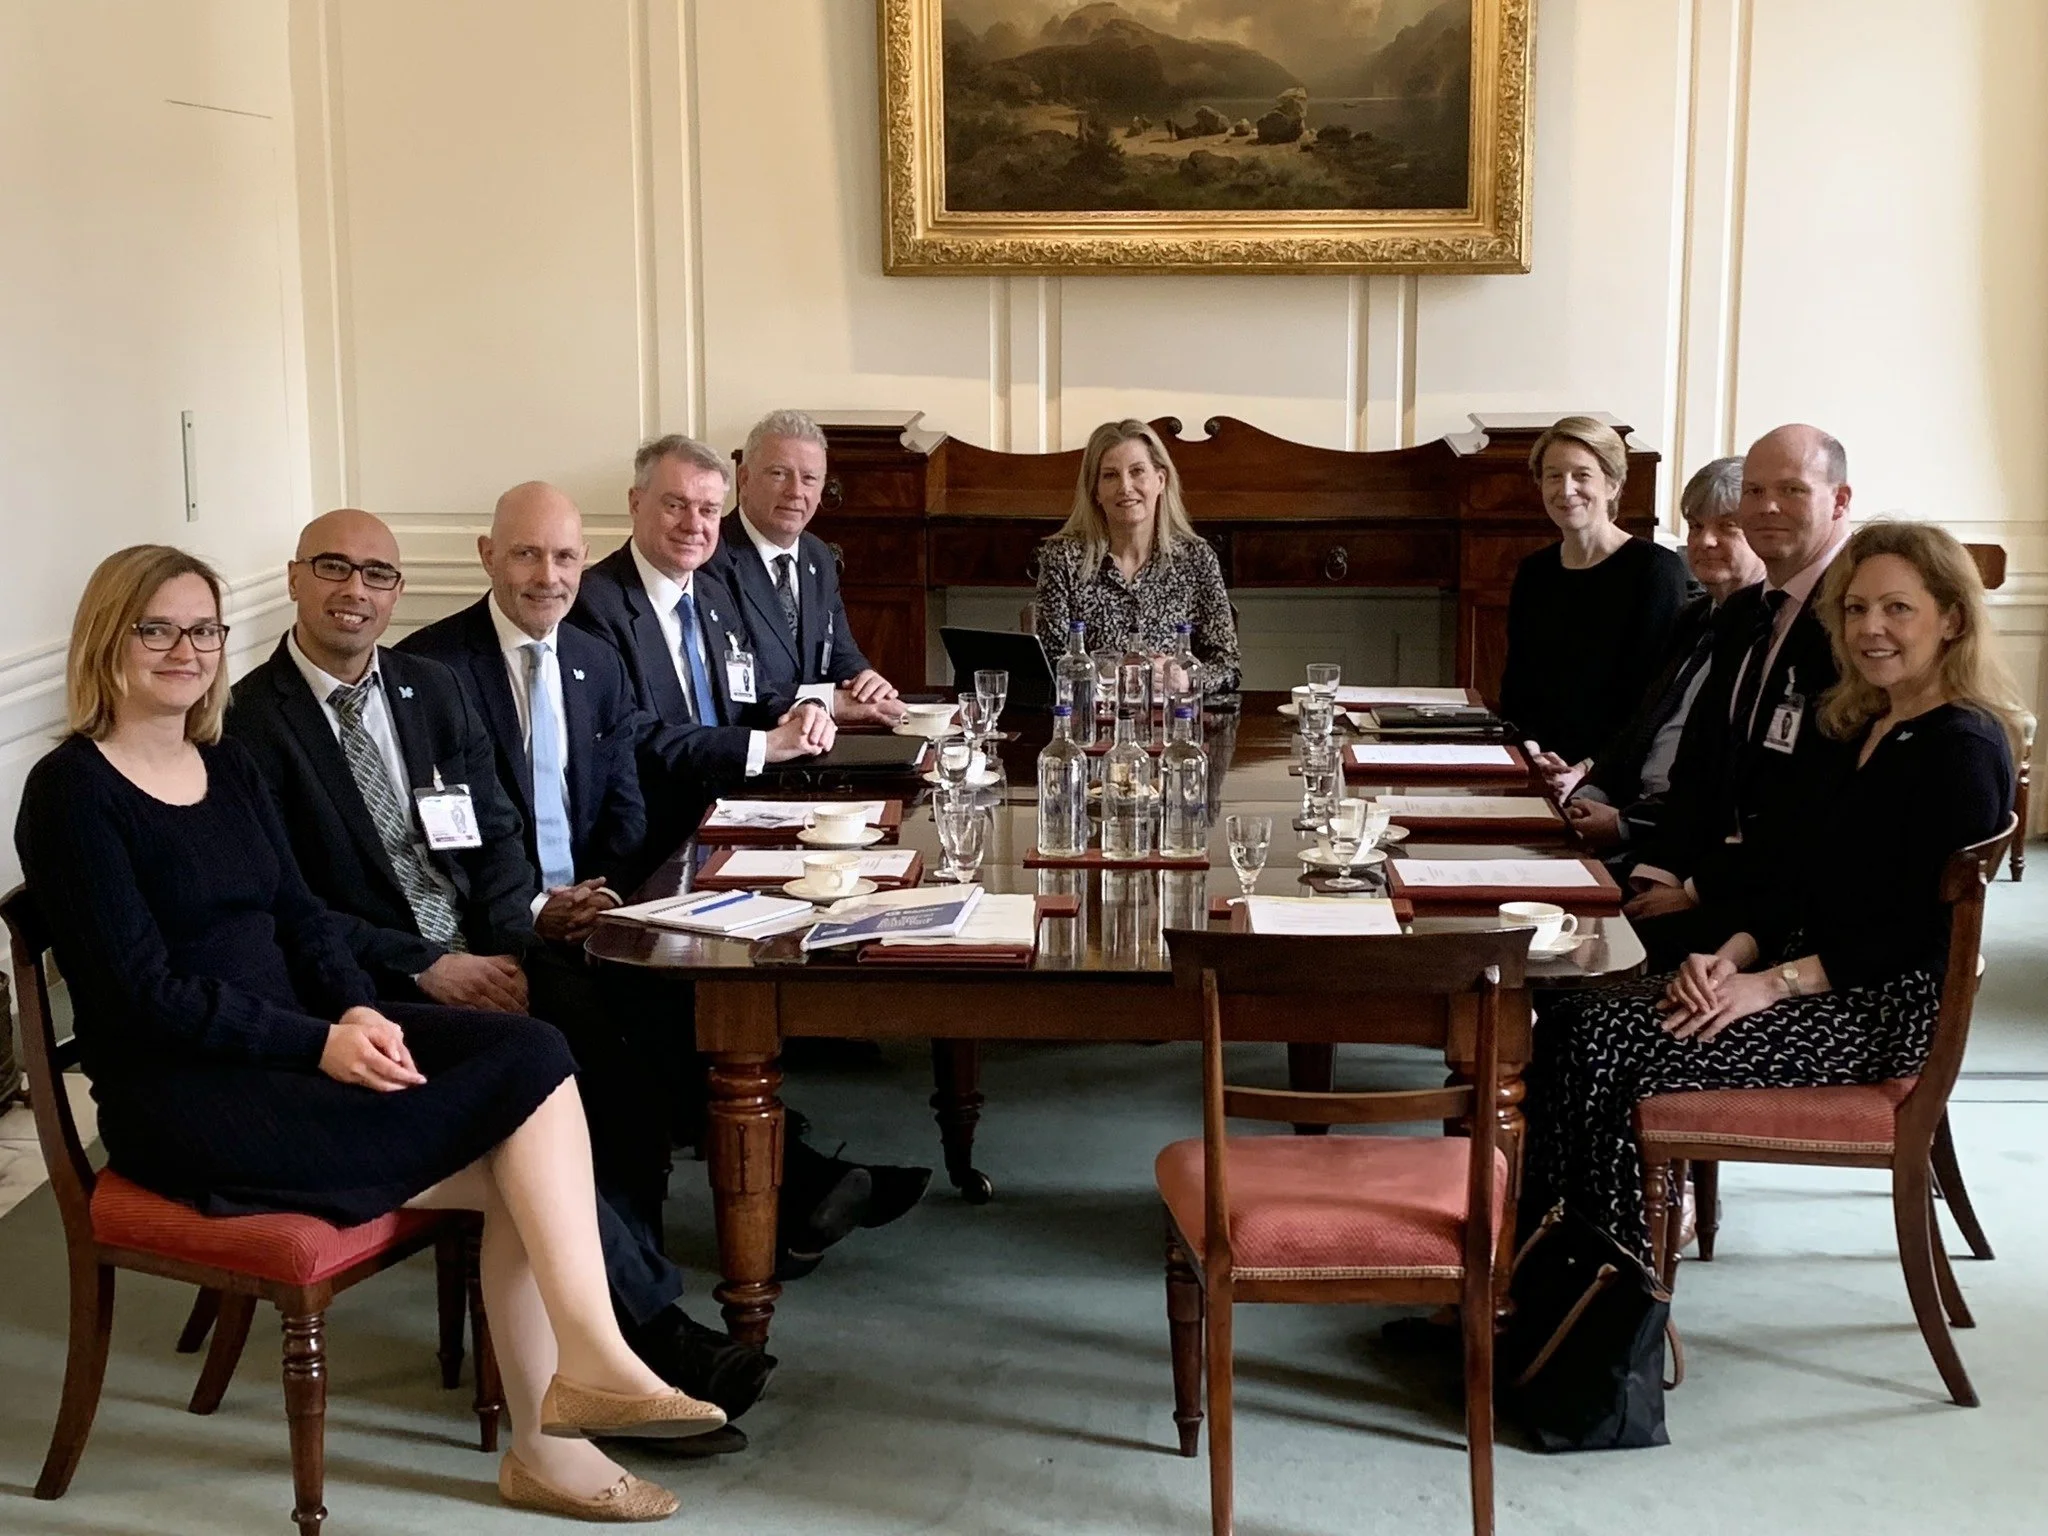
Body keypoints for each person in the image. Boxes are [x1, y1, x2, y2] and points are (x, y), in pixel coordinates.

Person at [18, 545, 725, 1521]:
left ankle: (577, 1391)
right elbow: (145, 996)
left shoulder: (220, 760)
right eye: (158, 628)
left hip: (304, 1038)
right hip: (195, 1097)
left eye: (205, 628)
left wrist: (354, 1007)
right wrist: (320, 1046)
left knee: (531, 1052)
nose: (187, 649)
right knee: (519, 1157)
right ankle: (567, 1415)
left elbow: (301, 917)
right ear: (111, 638)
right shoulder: (69, 792)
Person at [227, 508, 774, 1439]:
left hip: (489, 955)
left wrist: (514, 942)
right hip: (371, 989)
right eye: (333, 569)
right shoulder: (245, 722)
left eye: (377, 575)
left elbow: (494, 839)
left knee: (632, 1063)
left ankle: (602, 1324)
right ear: (293, 578)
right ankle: (646, 1341)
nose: (355, 591)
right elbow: (290, 906)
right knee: (539, 1085)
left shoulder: (429, 689)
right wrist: (430, 966)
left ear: (398, 591)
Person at [1527, 520, 2021, 1258]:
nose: (1870, 629)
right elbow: (1790, 875)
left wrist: (1771, 986)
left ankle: (1598, 1295)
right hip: (1797, 970)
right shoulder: (1860, 724)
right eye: (1855, 609)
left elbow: (1922, 936)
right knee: (1572, 1012)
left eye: (1897, 609)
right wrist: (1730, 955)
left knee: (1598, 1040)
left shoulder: (1964, 749)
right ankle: (1539, 1274)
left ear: (1951, 619)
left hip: (1874, 1011)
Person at [1624, 425, 1861, 966]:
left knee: (1573, 984)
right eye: (1754, 492)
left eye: (1792, 490)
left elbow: (1812, 801)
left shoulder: (1855, 621)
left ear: (1840, 500)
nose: (1767, 506)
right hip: (1710, 872)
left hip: (1787, 912)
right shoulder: (1741, 612)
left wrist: (1694, 889)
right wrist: (1657, 872)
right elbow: (1699, 766)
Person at [572, 433, 835, 862]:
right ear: (636, 503)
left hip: (743, 819)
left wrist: (800, 711)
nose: (694, 524)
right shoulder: (594, 604)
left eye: (709, 510)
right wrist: (761, 747)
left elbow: (749, 689)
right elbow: (630, 735)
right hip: (656, 842)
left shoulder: (712, 592)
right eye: (675, 505)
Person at [1546, 457, 1766, 863]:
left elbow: (1729, 784)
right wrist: (1591, 792)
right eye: (1697, 526)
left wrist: (1625, 823)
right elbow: (1640, 728)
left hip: (1685, 847)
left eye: (1727, 527)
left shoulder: (1768, 635)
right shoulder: (1695, 619)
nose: (1705, 542)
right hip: (1627, 816)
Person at [1500, 416, 1692, 768]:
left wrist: (1589, 768)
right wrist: (1527, 749)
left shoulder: (1655, 570)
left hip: (1614, 776)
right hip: (1536, 763)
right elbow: (1517, 687)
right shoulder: (1534, 572)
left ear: (1613, 485)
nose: (1566, 489)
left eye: (1582, 475)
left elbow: (1651, 700)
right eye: (1554, 475)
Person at [705, 409, 907, 726]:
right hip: (754, 746)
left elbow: (838, 651)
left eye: (809, 478)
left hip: (815, 744)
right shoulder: (709, 557)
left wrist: (864, 680)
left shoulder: (818, 555)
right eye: (779, 474)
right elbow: (737, 685)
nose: (796, 491)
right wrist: (828, 702)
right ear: (744, 479)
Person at [1033, 418, 1241, 695]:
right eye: (1110, 475)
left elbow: (1227, 665)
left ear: (1160, 480)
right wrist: (1108, 673)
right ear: (1095, 491)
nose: (1125, 487)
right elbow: (1049, 664)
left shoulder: (1197, 559)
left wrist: (1186, 678)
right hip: (1093, 726)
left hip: (1175, 726)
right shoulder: (1063, 559)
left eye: (1137, 471)